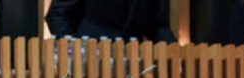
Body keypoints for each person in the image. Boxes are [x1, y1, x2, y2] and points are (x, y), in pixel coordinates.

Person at [45, 0, 177, 43]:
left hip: (135, 71)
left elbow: (158, 27)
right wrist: (76, 51)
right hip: (89, 70)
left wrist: (177, 55)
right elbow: (57, 15)